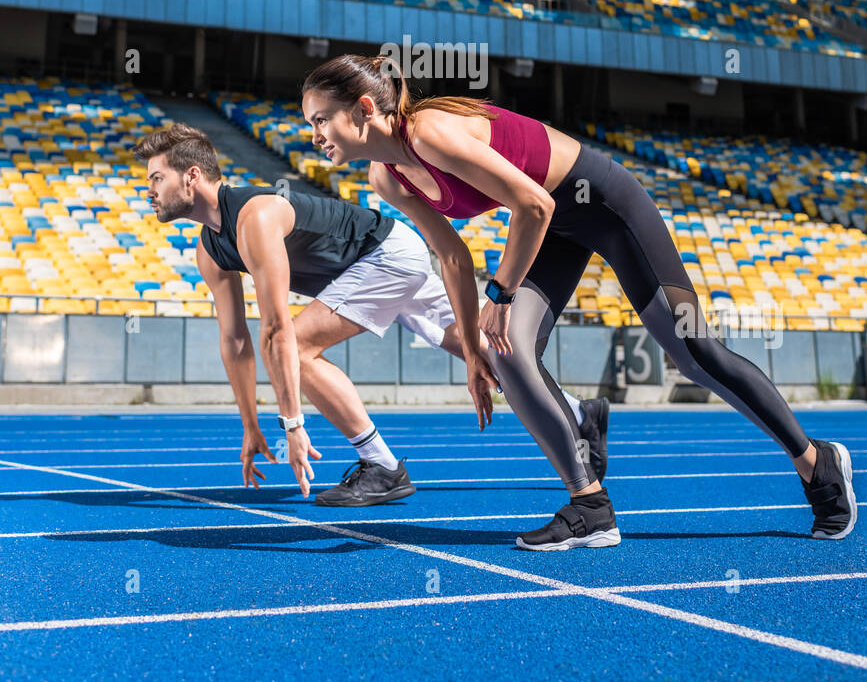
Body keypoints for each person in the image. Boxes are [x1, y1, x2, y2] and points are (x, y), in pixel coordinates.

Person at [300, 54, 857, 550]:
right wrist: (471, 348)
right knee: (507, 352)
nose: (315, 135)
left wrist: (501, 294)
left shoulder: (429, 134)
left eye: (321, 119)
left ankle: (815, 461)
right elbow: (451, 256)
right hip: (553, 228)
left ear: (364, 109)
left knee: (691, 351)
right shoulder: (387, 176)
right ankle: (590, 508)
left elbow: (535, 204)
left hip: (605, 205)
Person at [132, 123, 607, 506]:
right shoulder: (210, 249)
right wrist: (250, 425)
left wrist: (292, 425)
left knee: (299, 345)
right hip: (382, 258)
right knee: (472, 345)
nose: (148, 191)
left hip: (386, 254)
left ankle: (381, 466)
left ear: (191, 176)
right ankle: (577, 411)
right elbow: (235, 339)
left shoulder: (255, 215)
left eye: (156, 178)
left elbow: (277, 330)